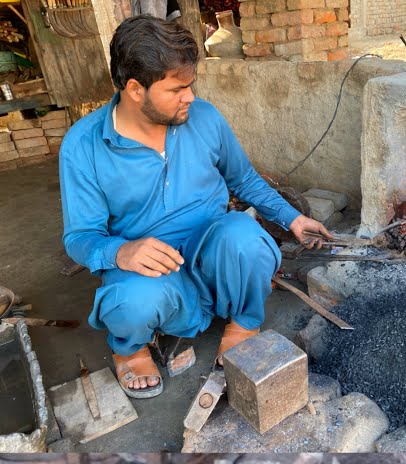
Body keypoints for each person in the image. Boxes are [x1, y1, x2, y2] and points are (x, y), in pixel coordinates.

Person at [60, 15, 331, 398]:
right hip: (153, 273)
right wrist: (121, 251)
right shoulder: (83, 145)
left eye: (191, 84)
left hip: (214, 252)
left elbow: (245, 180)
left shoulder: (204, 117)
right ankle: (131, 348)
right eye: (177, 88)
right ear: (136, 89)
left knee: (245, 238)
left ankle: (242, 323)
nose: (190, 96)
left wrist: (293, 217)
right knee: (129, 304)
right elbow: (80, 237)